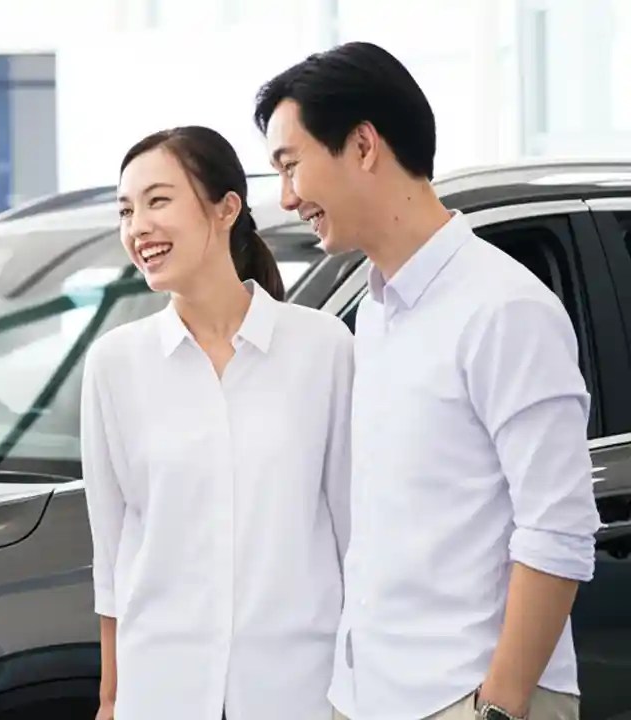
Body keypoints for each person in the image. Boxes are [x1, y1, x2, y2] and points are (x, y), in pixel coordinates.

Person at [253, 42, 601, 720]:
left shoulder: (505, 309)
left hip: (471, 698)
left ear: (361, 146)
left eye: (291, 166)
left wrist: (496, 707)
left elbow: (557, 529)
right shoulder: (379, 314)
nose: (288, 197)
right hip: (375, 695)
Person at [81, 126, 354, 720]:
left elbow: (354, 537)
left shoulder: (324, 349)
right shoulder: (114, 364)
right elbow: (113, 552)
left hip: (299, 689)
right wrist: (111, 697)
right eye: (126, 210)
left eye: (158, 201)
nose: (138, 227)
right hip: (162, 690)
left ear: (226, 207)